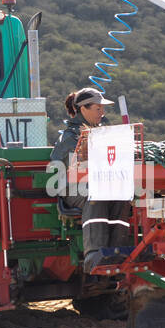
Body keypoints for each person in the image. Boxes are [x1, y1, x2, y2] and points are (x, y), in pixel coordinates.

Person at [50, 87, 131, 274]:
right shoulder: (69, 136)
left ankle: (117, 250)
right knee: (96, 195)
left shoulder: (102, 132)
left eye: (103, 109)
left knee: (122, 196)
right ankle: (94, 253)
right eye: (98, 109)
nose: (102, 113)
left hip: (99, 183)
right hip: (72, 188)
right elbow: (58, 161)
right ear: (83, 109)